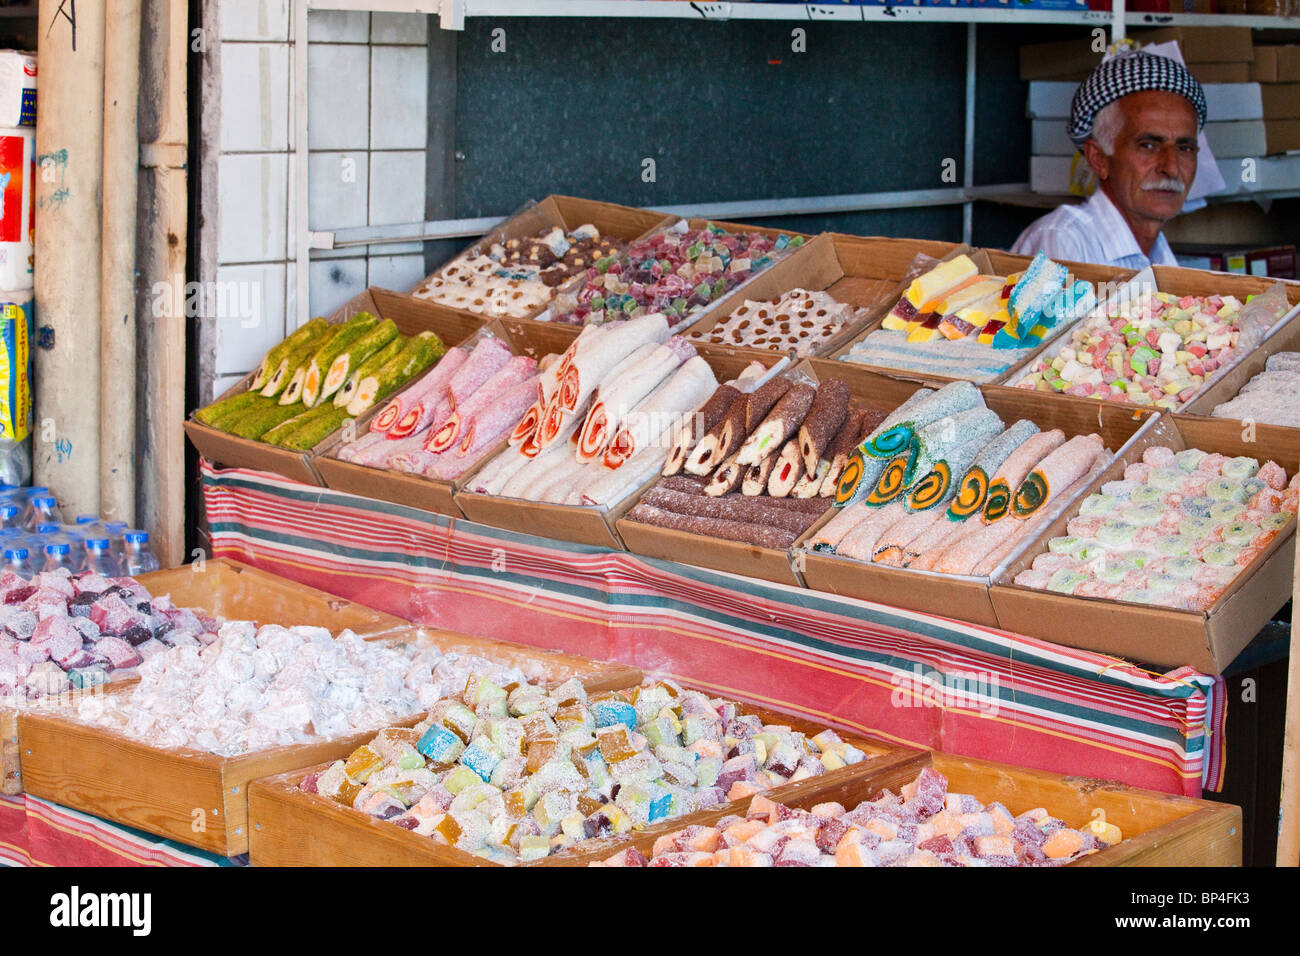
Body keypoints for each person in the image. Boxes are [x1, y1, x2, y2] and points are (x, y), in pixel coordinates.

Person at [1012, 51, 1207, 270]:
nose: (1171, 168)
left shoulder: (1159, 253)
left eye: (1185, 148)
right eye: (1148, 146)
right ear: (1099, 159)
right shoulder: (1063, 242)